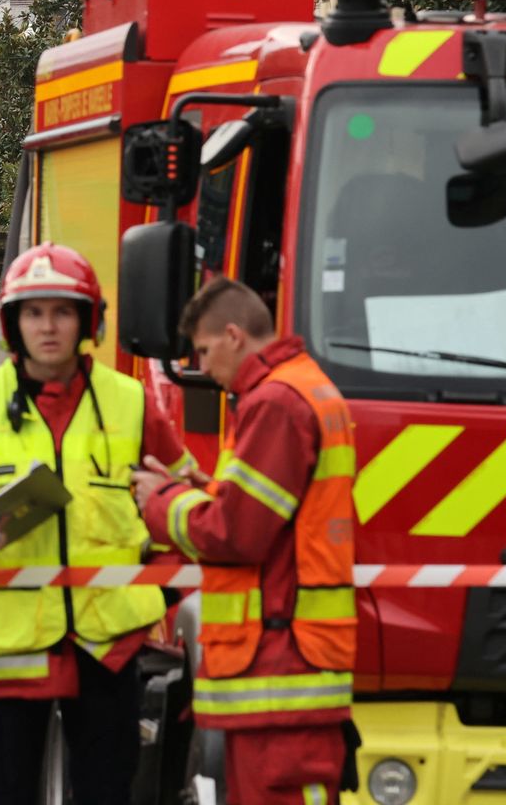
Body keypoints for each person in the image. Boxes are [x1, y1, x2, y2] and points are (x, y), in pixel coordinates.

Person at [0, 242, 196, 805]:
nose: (49, 326)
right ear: (13, 322)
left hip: (107, 653)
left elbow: (186, 511)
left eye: (62, 311)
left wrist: (157, 597)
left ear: (87, 320)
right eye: (34, 312)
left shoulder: (132, 404)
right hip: (12, 656)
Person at [133, 279, 355, 805]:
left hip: (278, 666)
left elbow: (238, 534)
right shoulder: (304, 388)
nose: (204, 368)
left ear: (234, 335)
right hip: (291, 665)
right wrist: (202, 491)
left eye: (205, 351)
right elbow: (271, 517)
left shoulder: (275, 402)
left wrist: (161, 503)